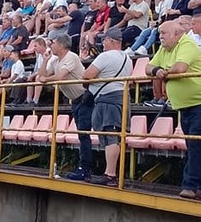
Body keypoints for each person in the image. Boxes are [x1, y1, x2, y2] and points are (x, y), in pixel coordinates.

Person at [147, 18, 201, 200]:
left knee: (195, 143)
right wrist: (157, 72)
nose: (160, 36)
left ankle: (190, 185)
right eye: (160, 33)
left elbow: (180, 68)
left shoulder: (187, 44)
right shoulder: (165, 48)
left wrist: (163, 71)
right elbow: (149, 67)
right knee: (197, 145)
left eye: (164, 33)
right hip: (185, 105)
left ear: (177, 34)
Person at [83, 27, 133, 187]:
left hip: (108, 99)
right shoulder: (128, 58)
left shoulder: (105, 56)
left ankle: (110, 174)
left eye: (104, 40)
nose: (103, 43)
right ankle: (109, 172)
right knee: (111, 134)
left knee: (110, 134)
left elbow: (87, 75)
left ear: (111, 40)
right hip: (120, 96)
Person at [40, 34, 90, 180]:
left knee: (84, 133)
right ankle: (84, 167)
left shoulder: (71, 57)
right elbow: (41, 75)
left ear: (61, 45)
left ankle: (85, 169)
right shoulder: (55, 60)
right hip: (75, 99)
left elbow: (59, 77)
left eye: (53, 42)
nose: (50, 46)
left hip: (85, 97)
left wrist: (45, 79)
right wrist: (45, 61)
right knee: (82, 134)